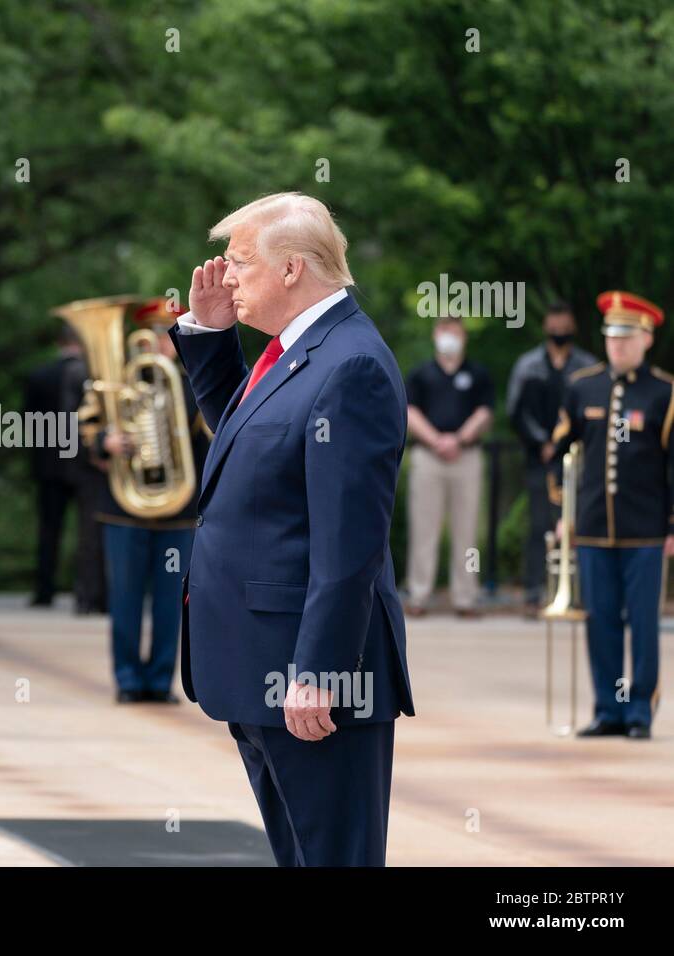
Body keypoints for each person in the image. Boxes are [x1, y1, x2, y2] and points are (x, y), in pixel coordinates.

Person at [168, 192, 413, 866]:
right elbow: (245, 445)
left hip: (308, 678)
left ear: (292, 270)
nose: (226, 276)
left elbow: (350, 544)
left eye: (242, 263)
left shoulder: (351, 364)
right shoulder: (297, 353)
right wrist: (212, 335)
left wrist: (320, 670)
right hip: (260, 664)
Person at [550, 290, 671, 740]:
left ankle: (639, 710)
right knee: (600, 620)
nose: (616, 346)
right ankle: (608, 708)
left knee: (641, 623)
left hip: (646, 531)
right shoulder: (584, 387)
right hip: (593, 529)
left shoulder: (665, 393)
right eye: (611, 337)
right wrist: (565, 512)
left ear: (646, 339)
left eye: (626, 338)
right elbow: (559, 453)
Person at [85, 297, 210, 703]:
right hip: (125, 507)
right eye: (155, 333)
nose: (161, 342)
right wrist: (107, 440)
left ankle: (159, 681)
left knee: (172, 602)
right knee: (124, 596)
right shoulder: (117, 379)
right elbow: (86, 427)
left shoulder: (198, 380)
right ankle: (127, 679)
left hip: (178, 510)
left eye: (169, 334)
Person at [507, 303, 597, 611]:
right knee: (539, 525)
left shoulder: (586, 365)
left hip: (578, 459)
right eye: (554, 325)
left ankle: (583, 592)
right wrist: (542, 442)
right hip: (540, 458)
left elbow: (594, 412)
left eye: (564, 325)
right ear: (546, 325)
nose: (559, 331)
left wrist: (569, 444)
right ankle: (534, 591)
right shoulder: (528, 365)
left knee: (580, 524)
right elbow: (516, 411)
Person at [403, 316, 494, 617]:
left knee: (467, 531)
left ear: (463, 336)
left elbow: (484, 413)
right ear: (435, 335)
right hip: (428, 458)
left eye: (453, 331)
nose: (448, 336)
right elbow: (410, 411)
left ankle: (466, 597)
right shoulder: (421, 374)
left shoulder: (478, 374)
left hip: (466, 458)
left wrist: (458, 439)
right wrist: (437, 441)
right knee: (423, 529)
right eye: (443, 331)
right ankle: (418, 594)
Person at [23, 325, 91, 608]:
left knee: (48, 530)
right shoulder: (92, 376)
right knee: (88, 531)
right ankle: (86, 592)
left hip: (49, 465)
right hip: (86, 463)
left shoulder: (39, 375)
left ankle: (45, 591)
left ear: (58, 342)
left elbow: (28, 426)